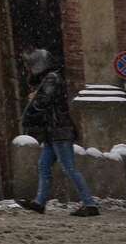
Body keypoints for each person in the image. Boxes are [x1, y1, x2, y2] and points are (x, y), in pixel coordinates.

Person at [19, 48, 100, 217]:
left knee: (69, 168)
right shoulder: (49, 78)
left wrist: (34, 99)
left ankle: (90, 204)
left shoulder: (52, 78)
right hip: (53, 131)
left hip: (59, 130)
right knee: (44, 165)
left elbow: (44, 101)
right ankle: (39, 203)